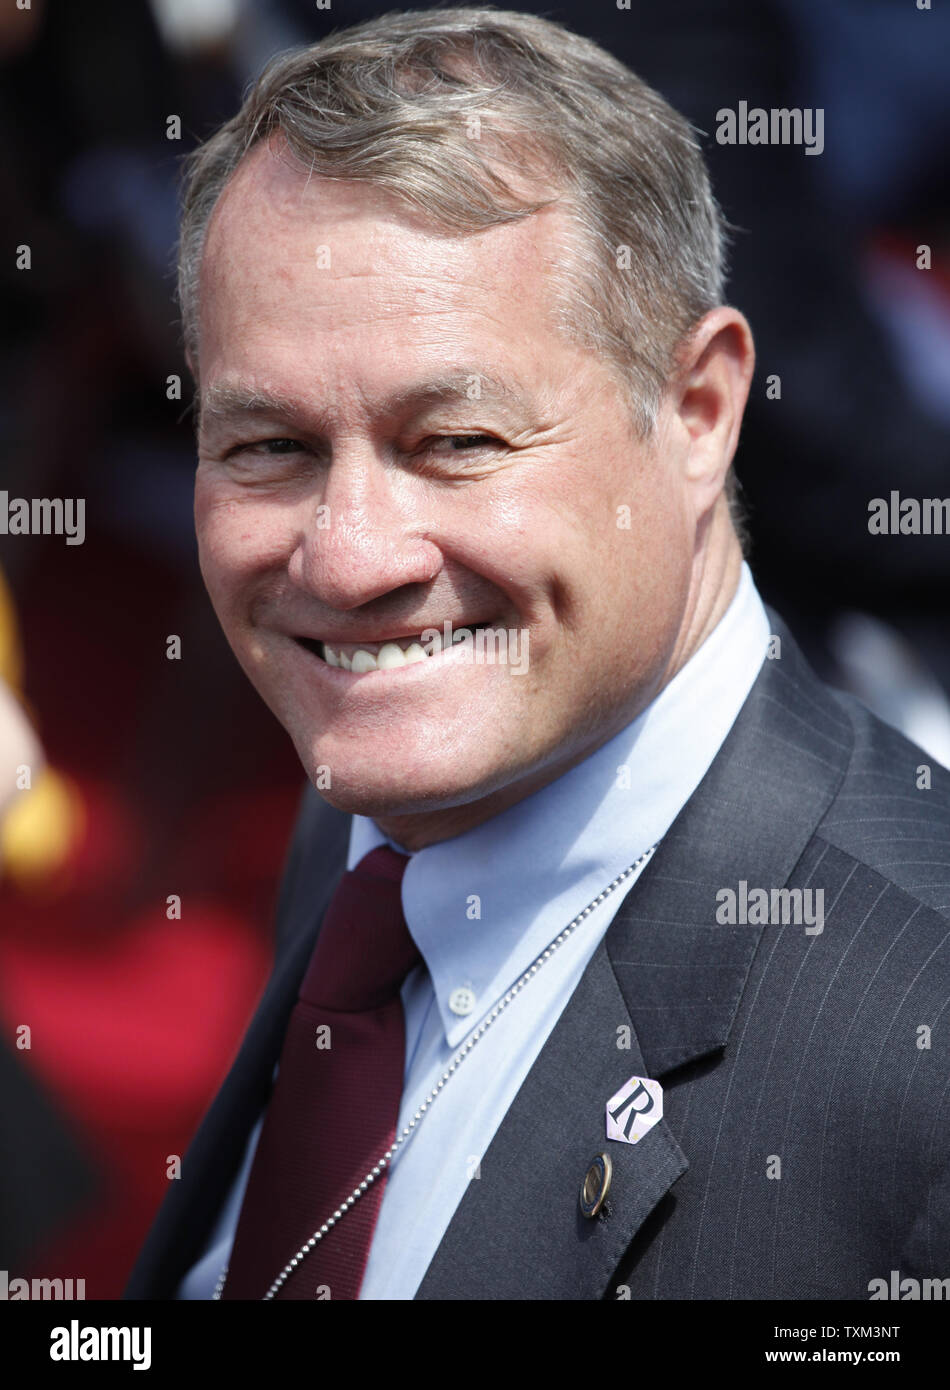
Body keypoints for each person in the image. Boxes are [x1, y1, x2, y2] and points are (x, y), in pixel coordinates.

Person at [125, 8, 950, 1301]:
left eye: (453, 441)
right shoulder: (374, 810)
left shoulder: (916, 1061)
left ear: (697, 414)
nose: (348, 561)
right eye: (266, 447)